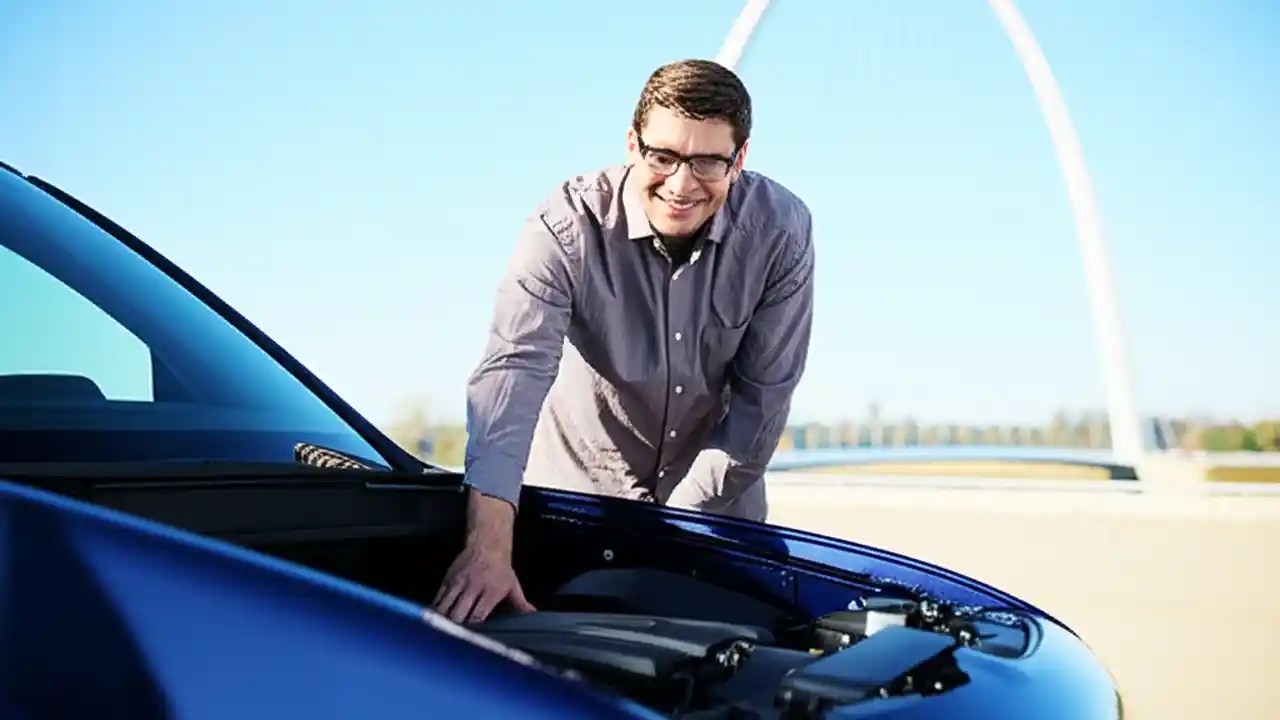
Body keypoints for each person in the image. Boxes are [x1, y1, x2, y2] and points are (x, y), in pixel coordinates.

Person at [432, 59, 815, 624]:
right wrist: (488, 547)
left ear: (741, 159)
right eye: (663, 157)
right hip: (573, 518)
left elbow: (761, 404)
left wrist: (666, 538)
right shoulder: (566, 225)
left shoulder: (781, 231)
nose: (682, 186)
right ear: (632, 146)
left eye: (709, 161)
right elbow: (510, 380)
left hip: (714, 528)